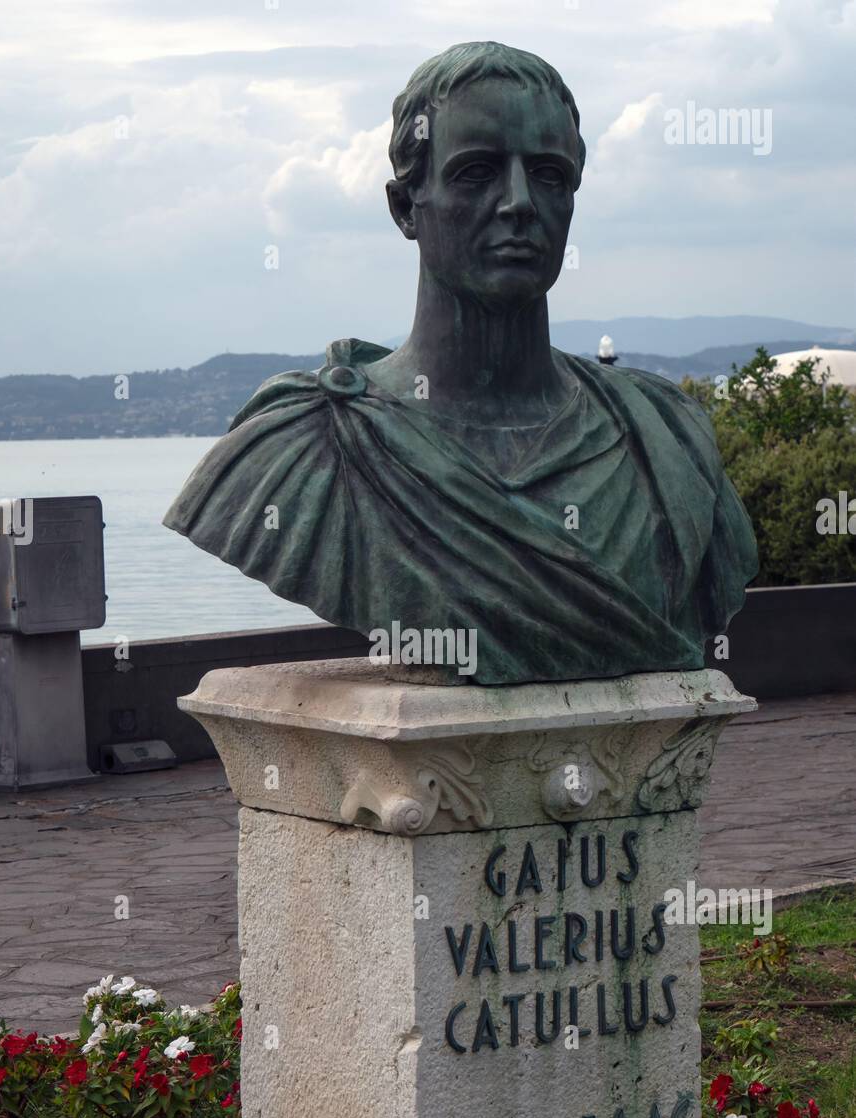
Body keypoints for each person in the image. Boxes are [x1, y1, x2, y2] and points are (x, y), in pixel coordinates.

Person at [164, 41, 757, 686]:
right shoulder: (300, 450)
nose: (520, 203)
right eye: (477, 172)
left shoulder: (668, 441)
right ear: (403, 208)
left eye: (550, 175)